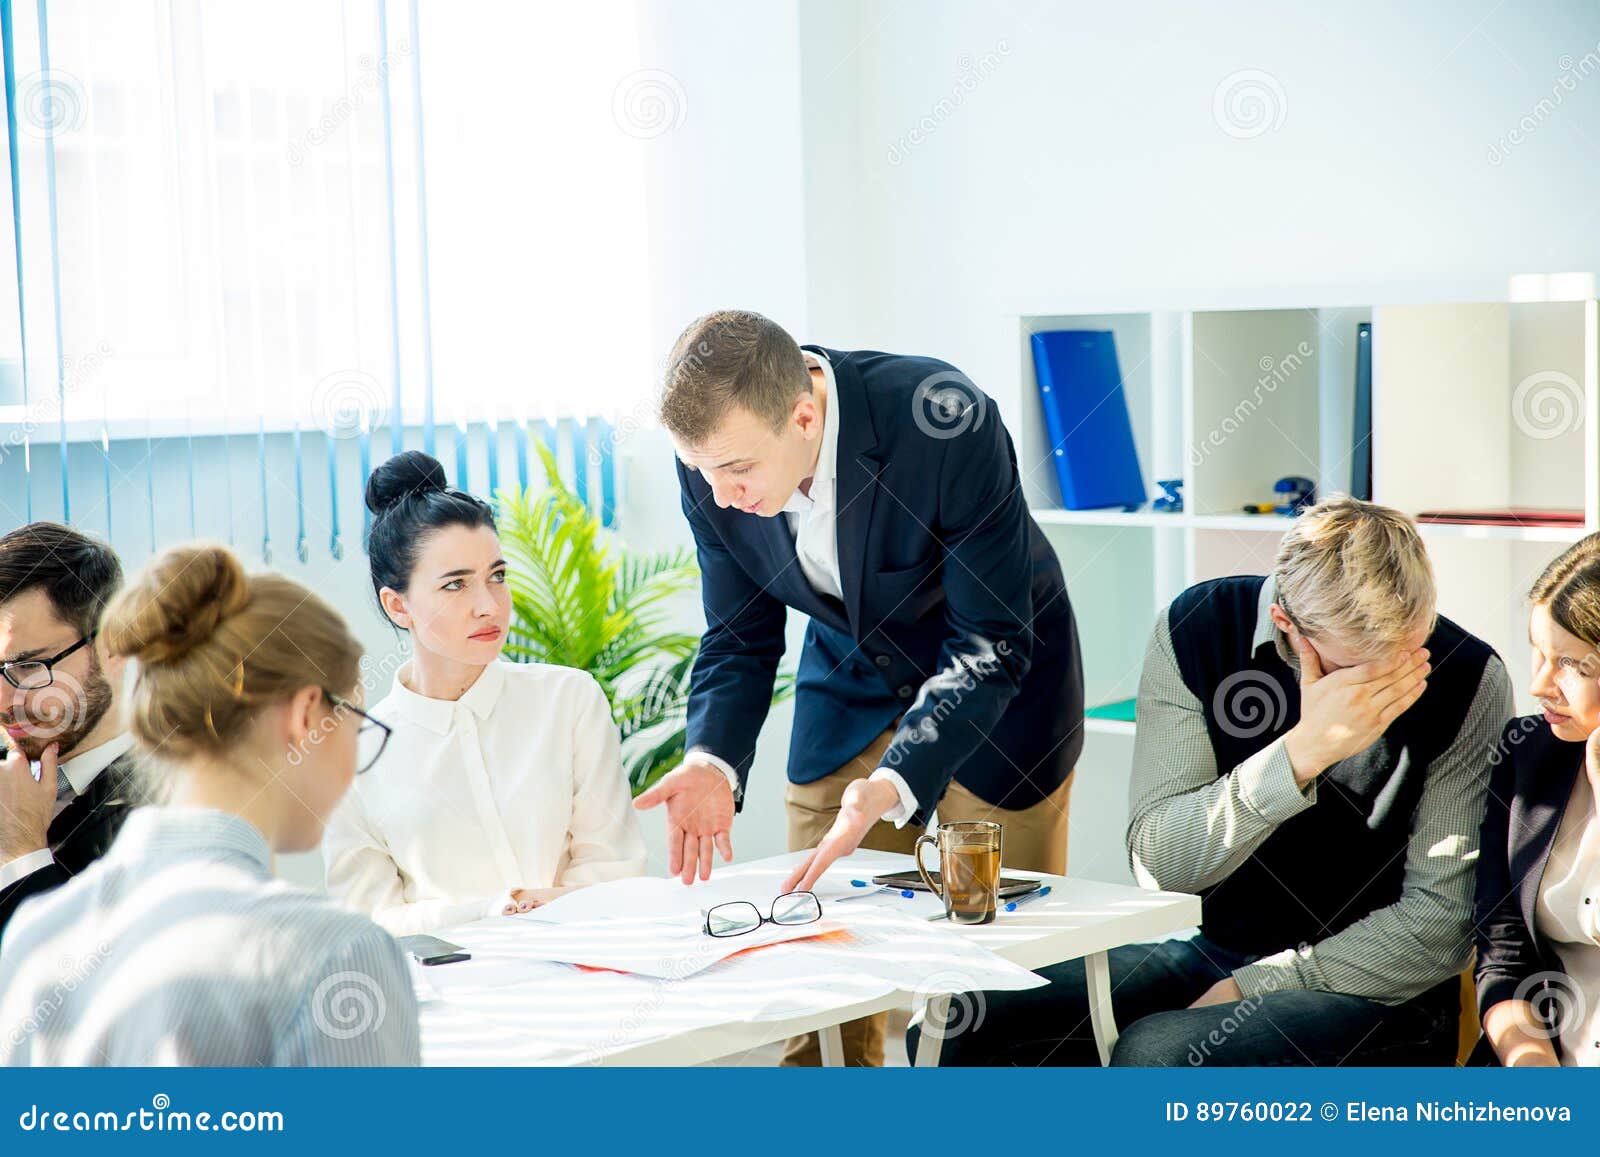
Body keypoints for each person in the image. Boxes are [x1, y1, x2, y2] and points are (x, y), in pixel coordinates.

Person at [918, 497, 1513, 1066]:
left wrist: (1258, 985)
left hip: (1377, 988)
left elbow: (1440, 924)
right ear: (1287, 627)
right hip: (1213, 950)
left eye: (1412, 651)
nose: (1397, 682)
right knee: (964, 1014)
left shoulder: (1469, 677)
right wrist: (1301, 755)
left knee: (1159, 1054)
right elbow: (1161, 867)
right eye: (1360, 671)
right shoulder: (1196, 631)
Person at [638, 310, 1084, 1066]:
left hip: (997, 688)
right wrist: (711, 757)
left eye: (736, 471)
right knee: (815, 973)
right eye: (704, 471)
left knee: (993, 982)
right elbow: (739, 630)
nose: (719, 495)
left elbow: (987, 642)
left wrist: (899, 779)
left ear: (804, 414)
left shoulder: (947, 419)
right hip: (849, 676)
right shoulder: (715, 457)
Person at [0, 543, 419, 1064]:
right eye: (360, 726)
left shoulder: (34, 932)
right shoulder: (341, 953)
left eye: (26, 666)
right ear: (307, 715)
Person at [322, 450, 646, 936]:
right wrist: (489, 912)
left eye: (497, 577)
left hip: (587, 968)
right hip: (450, 994)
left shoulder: (568, 700)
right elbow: (370, 923)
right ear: (398, 605)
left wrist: (546, 916)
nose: (487, 606)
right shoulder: (352, 754)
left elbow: (616, 870)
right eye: (455, 585)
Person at [1473, 533, 1600, 1066]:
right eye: (1538, 652)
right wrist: (1535, 1079)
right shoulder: (1527, 753)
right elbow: (1502, 955)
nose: (1539, 683)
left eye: (1573, 664)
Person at [0, 522, 137, 943]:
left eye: (28, 666)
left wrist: (23, 854)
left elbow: (103, 993)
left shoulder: (176, 807)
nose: (4, 702)